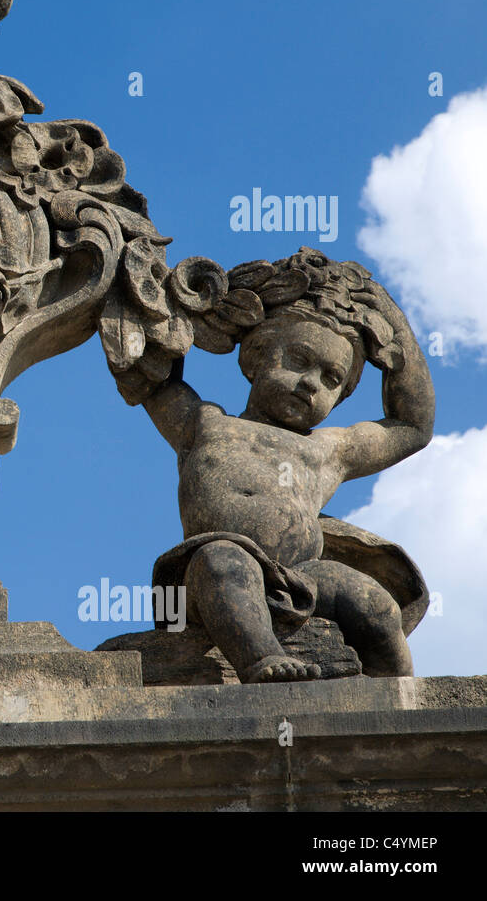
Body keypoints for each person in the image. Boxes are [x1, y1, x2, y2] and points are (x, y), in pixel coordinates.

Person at [141, 254, 434, 683]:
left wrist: (393, 326)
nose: (311, 383)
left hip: (303, 573)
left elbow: (413, 425)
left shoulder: (328, 450)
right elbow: (151, 372)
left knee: (375, 604)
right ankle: (262, 661)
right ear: (256, 356)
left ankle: (400, 698)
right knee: (223, 563)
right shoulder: (204, 423)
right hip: (211, 568)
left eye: (331, 379)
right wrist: (176, 298)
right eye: (298, 360)